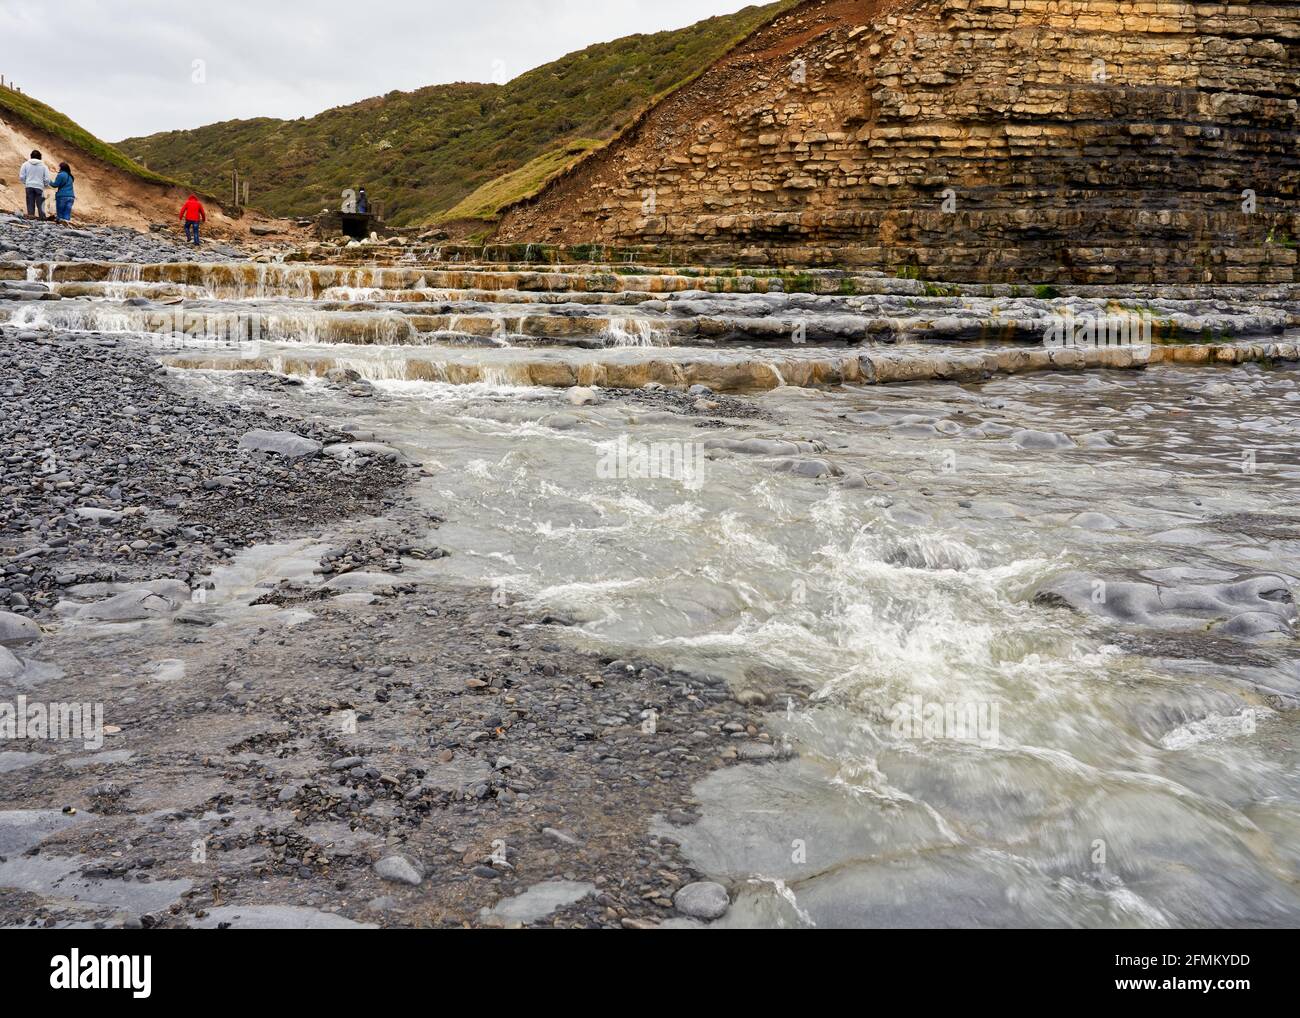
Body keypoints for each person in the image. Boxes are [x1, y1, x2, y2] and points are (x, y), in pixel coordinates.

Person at [19, 150, 52, 220]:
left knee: (30, 202)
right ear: (40, 157)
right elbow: (47, 178)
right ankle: (42, 217)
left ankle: (31, 216)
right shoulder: (44, 166)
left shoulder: (25, 164)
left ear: (31, 156)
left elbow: (22, 176)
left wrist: (26, 182)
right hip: (39, 186)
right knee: (40, 203)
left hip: (29, 186)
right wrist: (44, 185)